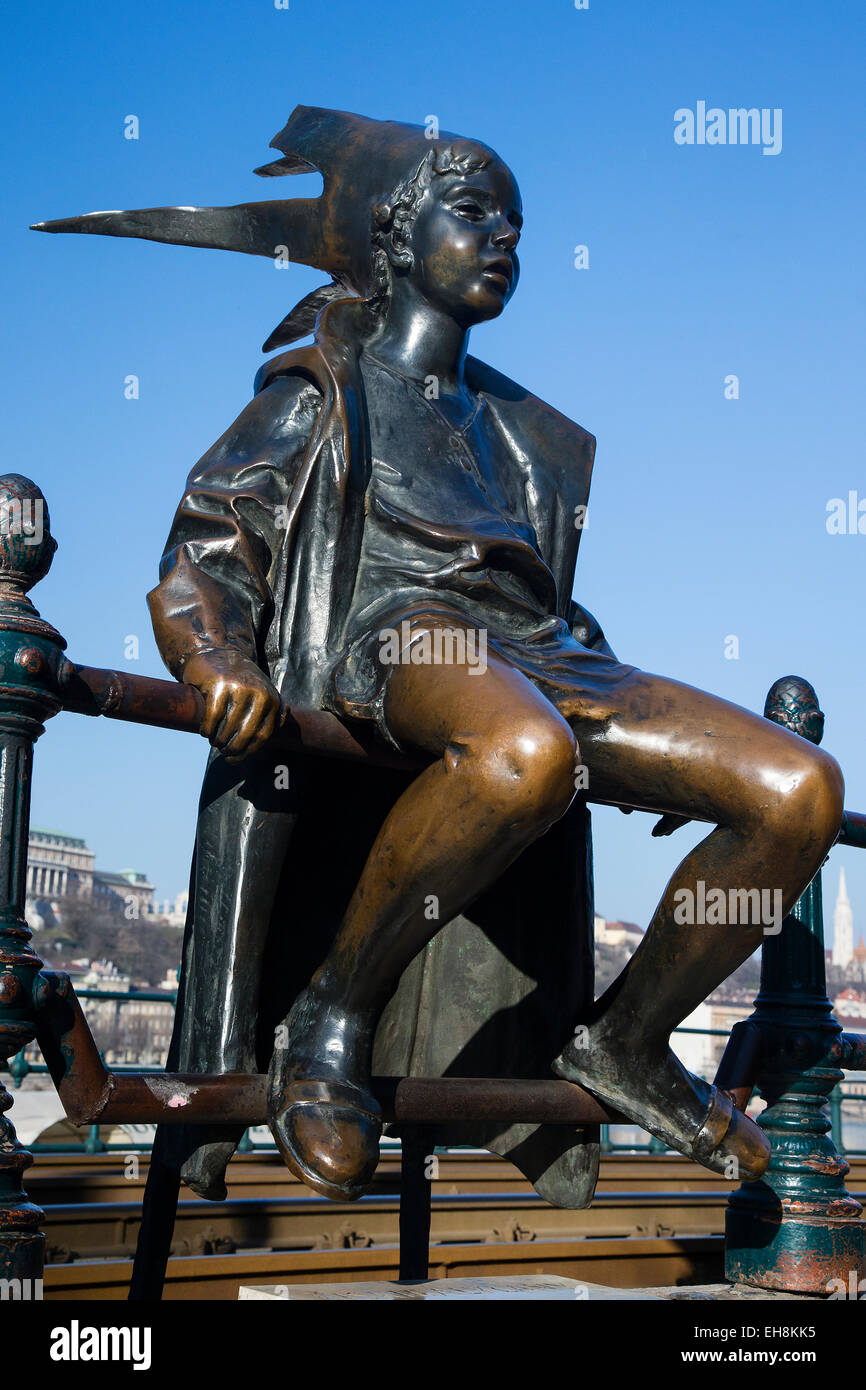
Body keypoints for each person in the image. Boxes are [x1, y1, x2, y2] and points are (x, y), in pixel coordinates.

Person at [36, 107, 844, 1205]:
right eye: (472, 213)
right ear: (396, 237)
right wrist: (211, 653)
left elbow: (532, 593)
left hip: (540, 652)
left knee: (797, 789)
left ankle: (628, 1041)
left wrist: (622, 697)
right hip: (396, 636)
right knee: (522, 752)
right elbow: (212, 539)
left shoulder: (521, 434)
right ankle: (332, 1013)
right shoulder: (320, 387)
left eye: (515, 220)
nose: (503, 236)